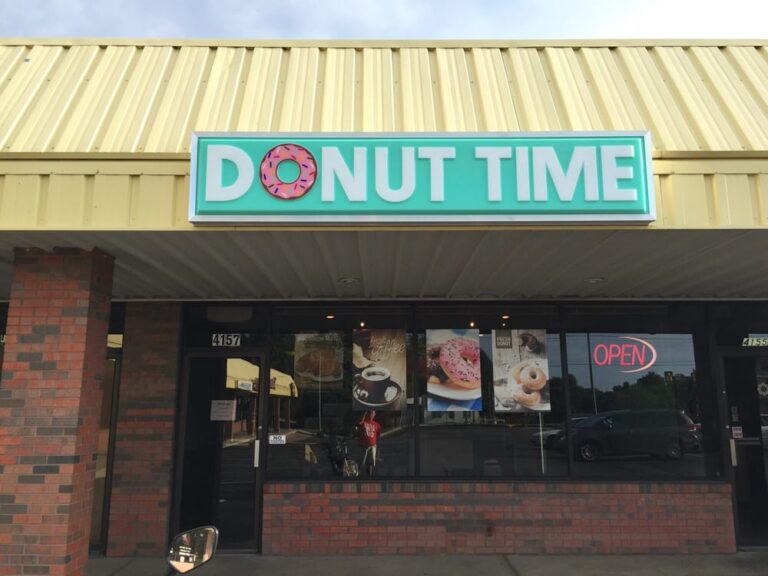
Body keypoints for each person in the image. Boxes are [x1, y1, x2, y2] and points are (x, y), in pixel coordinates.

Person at [357, 410, 381, 476]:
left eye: (373, 413)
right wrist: (365, 412)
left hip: (373, 446)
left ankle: (369, 478)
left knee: (370, 463)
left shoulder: (377, 424)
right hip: (363, 446)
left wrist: (377, 448)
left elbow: (377, 437)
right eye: (370, 413)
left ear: (374, 414)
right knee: (361, 463)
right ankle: (357, 477)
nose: (371, 414)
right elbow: (360, 422)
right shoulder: (364, 422)